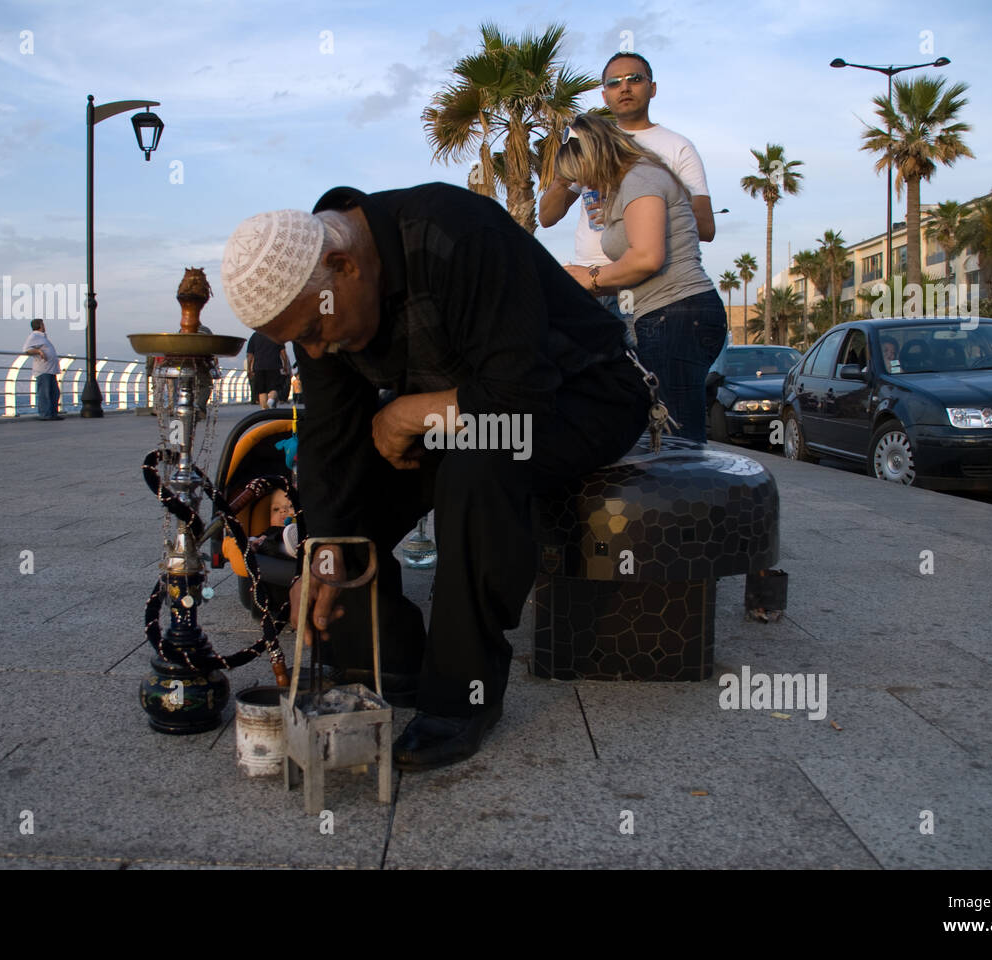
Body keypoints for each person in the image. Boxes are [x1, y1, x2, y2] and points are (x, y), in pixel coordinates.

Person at [220, 185, 649, 771]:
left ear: (343, 265)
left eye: (316, 333)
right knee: (348, 502)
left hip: (581, 395)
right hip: (462, 410)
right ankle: (387, 657)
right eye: (300, 343)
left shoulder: (457, 233)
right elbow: (329, 441)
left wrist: (408, 412)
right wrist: (319, 553)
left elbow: (520, 398)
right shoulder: (319, 312)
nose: (316, 350)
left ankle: (460, 697)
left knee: (477, 469)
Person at [554, 112, 726, 444]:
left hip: (676, 315)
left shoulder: (639, 178)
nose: (587, 183)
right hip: (667, 316)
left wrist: (590, 277)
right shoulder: (632, 182)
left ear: (598, 154)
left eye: (585, 173)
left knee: (679, 442)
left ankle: (686, 496)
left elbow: (647, 257)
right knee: (667, 433)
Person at [539, 52, 717, 340]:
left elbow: (706, 227)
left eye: (635, 79)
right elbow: (546, 217)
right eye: (614, 82)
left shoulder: (677, 147)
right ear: (604, 94)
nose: (624, 87)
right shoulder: (592, 146)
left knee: (649, 378)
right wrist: (563, 175)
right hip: (591, 285)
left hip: (646, 285)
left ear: (652, 88)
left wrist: (637, 209)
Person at [22, 318, 63, 420]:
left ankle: (53, 413)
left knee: (54, 393)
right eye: (43, 324)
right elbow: (26, 349)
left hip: (50, 370)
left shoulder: (42, 337)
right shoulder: (34, 336)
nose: (45, 326)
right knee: (45, 393)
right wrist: (39, 351)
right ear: (40, 325)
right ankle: (45, 414)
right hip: (43, 370)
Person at [246, 330, 285, 407]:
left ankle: (264, 412)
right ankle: (271, 400)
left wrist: (249, 369)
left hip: (259, 367)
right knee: (274, 388)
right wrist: (285, 365)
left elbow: (249, 355)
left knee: (262, 391)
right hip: (274, 366)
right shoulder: (275, 335)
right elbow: (283, 352)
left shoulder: (254, 336)